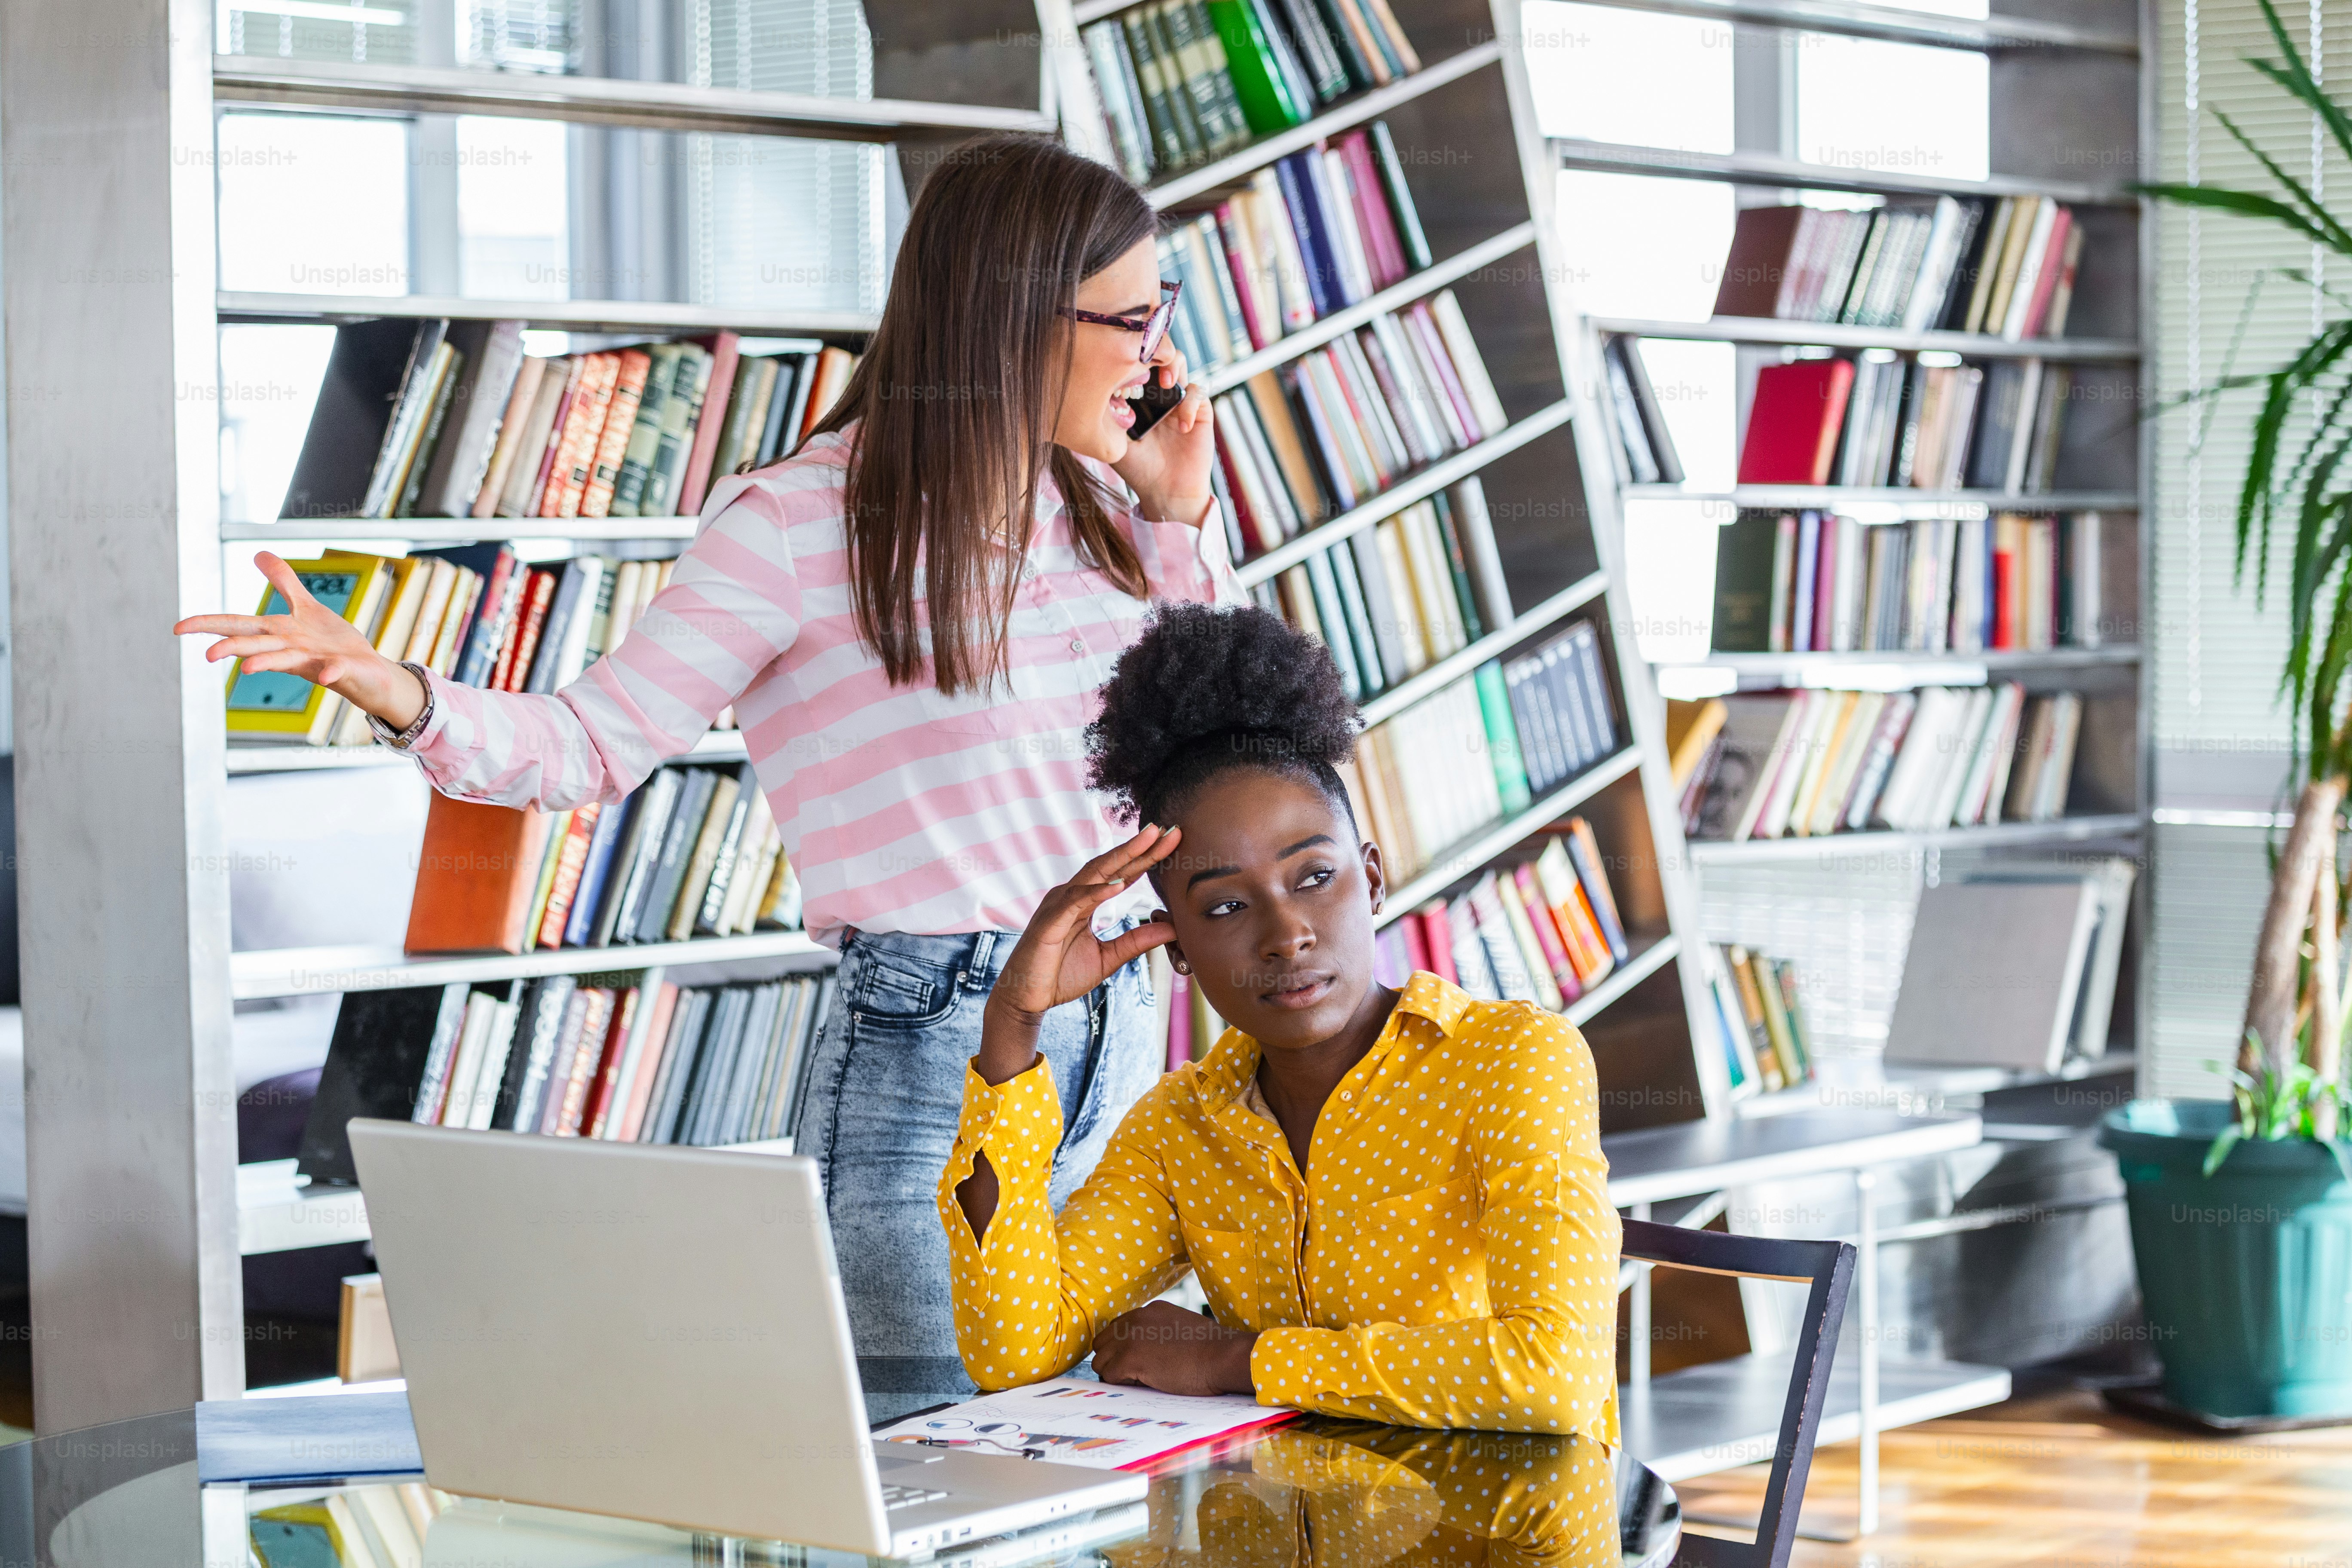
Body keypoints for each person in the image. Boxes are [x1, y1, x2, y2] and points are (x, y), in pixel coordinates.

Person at [174, 133, 1245, 1421]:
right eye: (1132, 317)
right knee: (934, 1450)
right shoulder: (795, 524)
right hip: (936, 1057)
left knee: (1080, 1464)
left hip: (1124, 1045)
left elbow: (1217, 754)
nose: (1156, 352)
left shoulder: (1109, 506)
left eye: (1160, 312)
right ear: (1015, 315)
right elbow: (588, 747)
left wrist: (1179, 520)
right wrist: (394, 686)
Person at [940, 603, 1621, 1439]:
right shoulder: (1181, 1131)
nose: (1285, 932)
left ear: (1371, 881)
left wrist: (1239, 1360)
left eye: (1313, 878)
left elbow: (1555, 1375)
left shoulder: (1514, 1061)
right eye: (1226, 905)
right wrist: (1012, 1021)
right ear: (1178, 947)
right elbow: (1013, 1351)